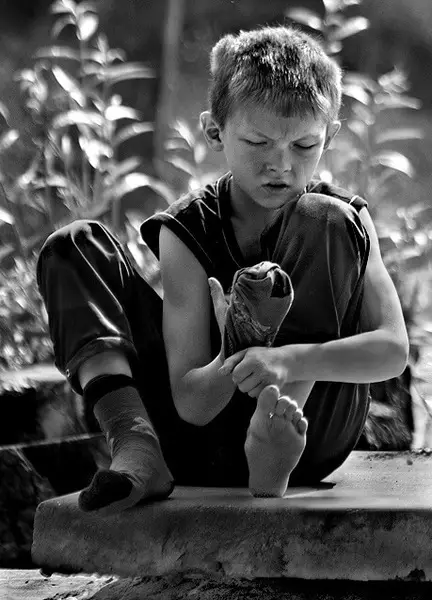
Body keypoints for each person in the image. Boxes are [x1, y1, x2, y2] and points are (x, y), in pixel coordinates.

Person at [35, 25, 409, 515]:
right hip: (202, 435)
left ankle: (273, 442)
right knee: (73, 246)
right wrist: (238, 345)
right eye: (257, 141)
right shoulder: (186, 231)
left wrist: (288, 361)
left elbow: (392, 351)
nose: (281, 165)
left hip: (310, 432)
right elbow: (192, 402)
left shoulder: (344, 219)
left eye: (303, 146)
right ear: (215, 131)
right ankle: (137, 447)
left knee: (323, 216)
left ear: (330, 136)